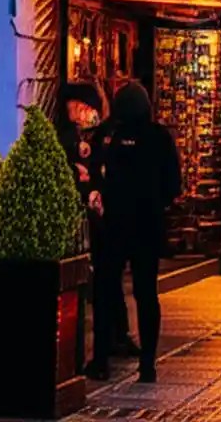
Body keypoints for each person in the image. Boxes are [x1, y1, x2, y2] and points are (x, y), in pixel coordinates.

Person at [85, 82, 182, 384]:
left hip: (113, 225)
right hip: (147, 225)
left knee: (105, 289)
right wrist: (156, 203)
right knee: (146, 293)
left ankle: (101, 360)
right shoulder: (159, 137)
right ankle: (148, 365)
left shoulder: (106, 137)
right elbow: (173, 185)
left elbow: (94, 177)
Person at [57, 82, 140, 360]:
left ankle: (117, 335)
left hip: (101, 217)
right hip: (84, 217)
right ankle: (104, 342)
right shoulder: (69, 138)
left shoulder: (101, 136)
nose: (85, 113)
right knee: (101, 280)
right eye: (80, 107)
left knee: (108, 278)